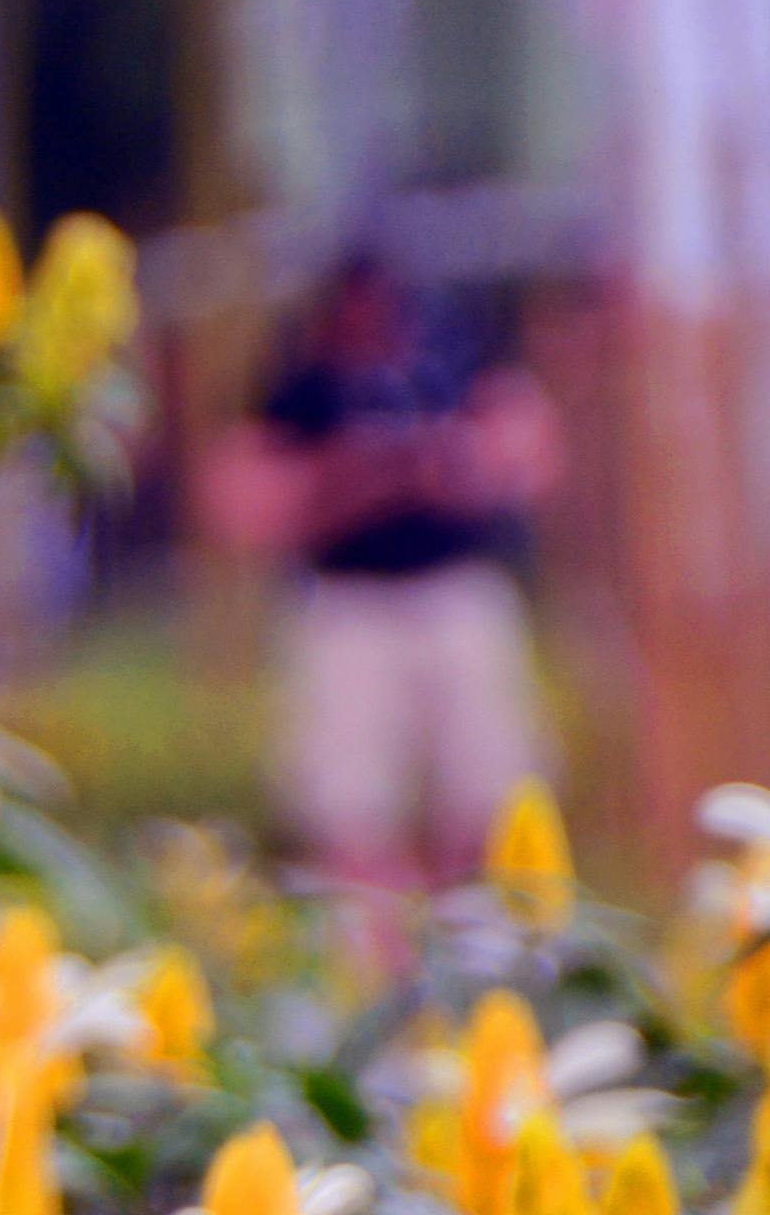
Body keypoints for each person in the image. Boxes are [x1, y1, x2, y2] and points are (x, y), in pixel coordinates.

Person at [204, 249, 562, 897]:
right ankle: (379, 945)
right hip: (350, 606)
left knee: (492, 789)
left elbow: (525, 452)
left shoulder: (456, 361)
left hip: (455, 592)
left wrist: (449, 468)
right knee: (350, 810)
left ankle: (471, 927)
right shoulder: (300, 387)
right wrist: (353, 482)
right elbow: (241, 501)